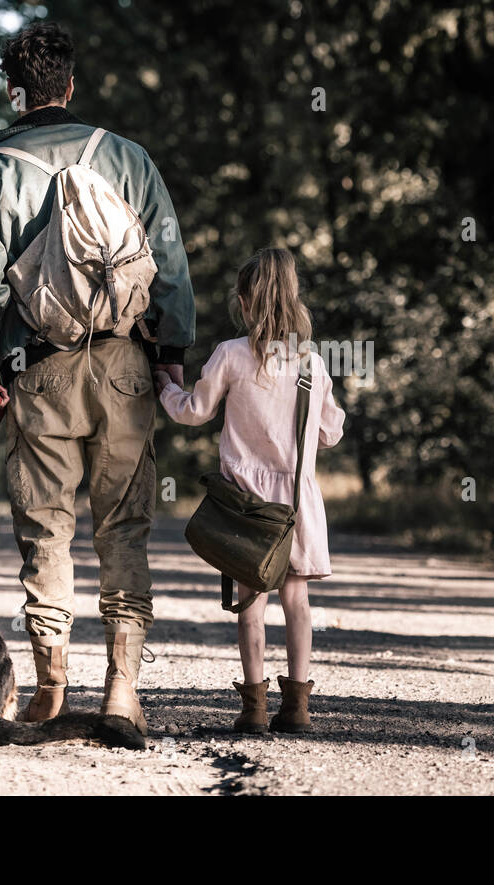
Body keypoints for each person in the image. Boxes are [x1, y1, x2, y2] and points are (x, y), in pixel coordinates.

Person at [0, 21, 195, 736]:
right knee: (124, 525)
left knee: (45, 529)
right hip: (125, 365)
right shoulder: (126, 157)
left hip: (39, 369)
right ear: (72, 85)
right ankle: (121, 688)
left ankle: (50, 687)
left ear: (13, 91)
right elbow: (168, 257)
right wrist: (171, 347)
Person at [155, 248, 345, 733]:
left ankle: (254, 709)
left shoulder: (231, 355)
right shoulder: (311, 362)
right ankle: (298, 707)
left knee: (250, 605)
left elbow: (193, 411)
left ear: (245, 300)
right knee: (298, 603)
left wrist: (164, 389)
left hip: (245, 502)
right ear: (294, 298)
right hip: (296, 503)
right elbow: (331, 433)